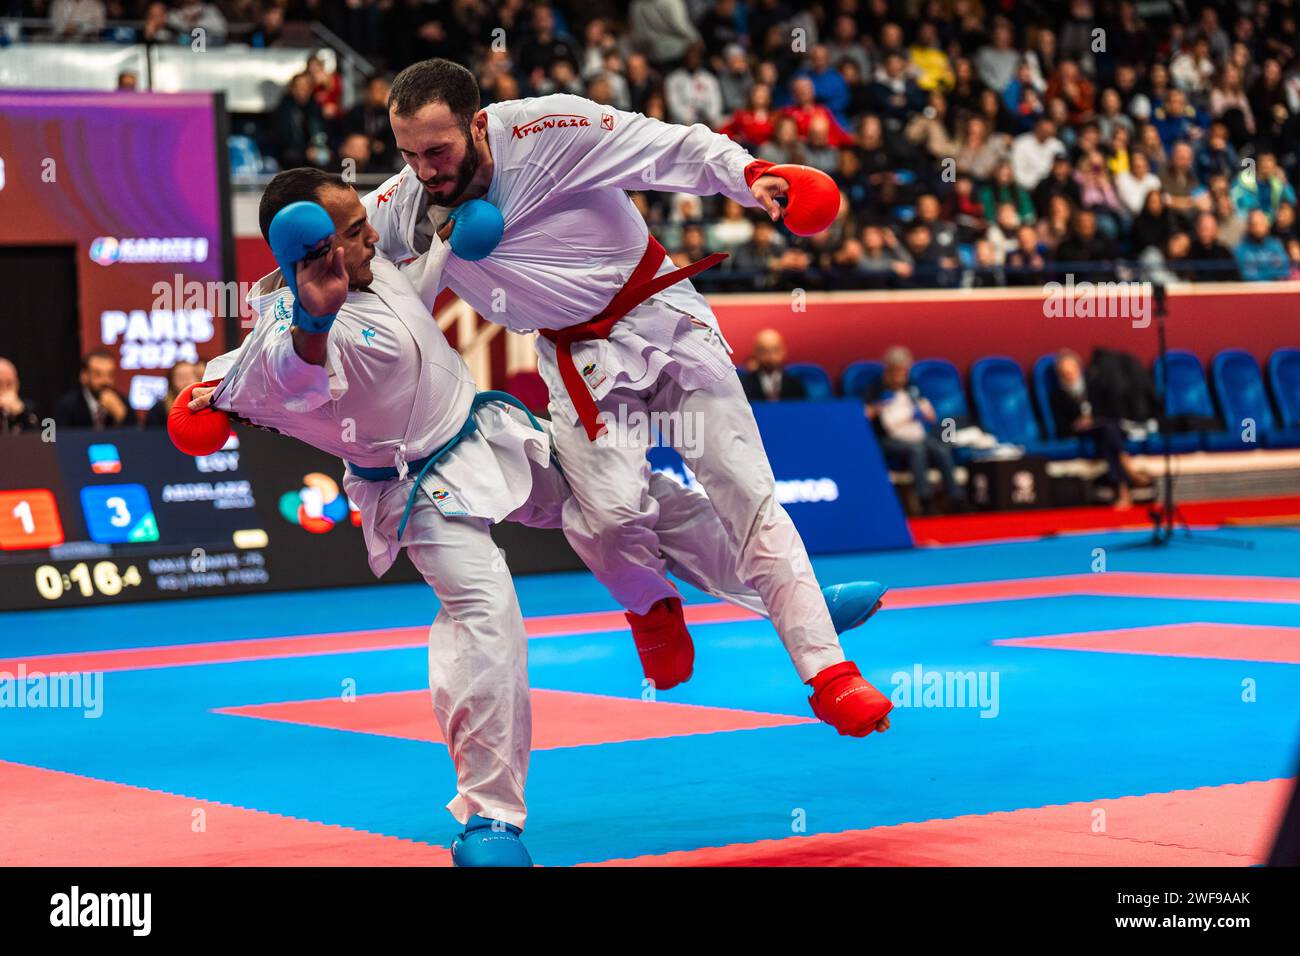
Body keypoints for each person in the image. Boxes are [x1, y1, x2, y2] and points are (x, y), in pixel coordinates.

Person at [180, 169, 885, 866]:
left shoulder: (371, 268)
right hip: (415, 491)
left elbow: (412, 288)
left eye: (366, 226)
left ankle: (796, 607)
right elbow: (286, 379)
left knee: (627, 502)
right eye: (354, 233)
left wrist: (448, 245)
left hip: (484, 433)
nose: (370, 237)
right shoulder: (283, 330)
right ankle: (488, 819)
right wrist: (308, 321)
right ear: (311, 254)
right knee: (485, 615)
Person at [365, 58, 895, 742]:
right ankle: (651, 606)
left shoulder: (553, 128)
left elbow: (674, 147)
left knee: (744, 489)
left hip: (661, 317)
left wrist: (752, 175)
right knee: (609, 518)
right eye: (409, 154)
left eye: (437, 151)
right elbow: (322, 267)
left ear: (478, 125)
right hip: (575, 357)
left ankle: (830, 675)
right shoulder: (405, 208)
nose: (426, 169)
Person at [865, 347, 963, 515]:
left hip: (916, 435)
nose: (902, 375)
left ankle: (956, 498)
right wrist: (879, 407)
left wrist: (922, 412)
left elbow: (931, 415)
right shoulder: (877, 388)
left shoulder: (912, 387)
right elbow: (864, 414)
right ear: (890, 369)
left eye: (905, 371)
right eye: (898, 371)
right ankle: (925, 501)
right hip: (889, 438)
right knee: (917, 451)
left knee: (941, 449)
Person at [1049, 349, 1150, 510]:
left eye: (1072, 371)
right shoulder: (1057, 396)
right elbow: (1062, 425)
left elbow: (1110, 412)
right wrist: (1079, 423)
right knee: (1109, 430)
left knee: (1108, 431)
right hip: (1082, 432)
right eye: (1065, 373)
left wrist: (1094, 418)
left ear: (1079, 369)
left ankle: (1122, 490)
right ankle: (1127, 467)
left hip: (1102, 429)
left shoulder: (1094, 387)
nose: (1069, 375)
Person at [53, 350, 129, 430]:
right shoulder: (67, 406)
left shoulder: (123, 403)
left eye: (110, 375)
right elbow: (61, 438)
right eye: (98, 375)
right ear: (84, 376)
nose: (106, 381)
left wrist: (122, 417)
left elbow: (136, 437)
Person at [738, 329, 807, 401]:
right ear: (755, 352)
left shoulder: (796, 385)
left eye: (775, 350)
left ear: (783, 351)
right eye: (763, 350)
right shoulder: (744, 385)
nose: (770, 356)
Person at [144, 360, 201, 428]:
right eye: (181, 377)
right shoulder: (159, 409)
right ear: (171, 381)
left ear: (199, 378)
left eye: (190, 376)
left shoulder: (209, 405)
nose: (186, 381)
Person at [0, 358, 40, 434]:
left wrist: (21, 413)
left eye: (9, 384)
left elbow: (39, 441)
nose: (3, 390)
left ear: (17, 385)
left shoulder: (29, 408)